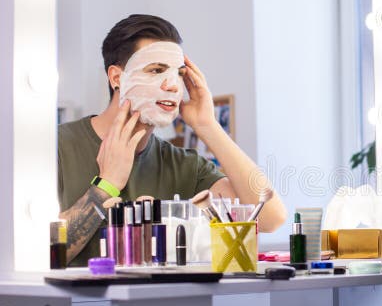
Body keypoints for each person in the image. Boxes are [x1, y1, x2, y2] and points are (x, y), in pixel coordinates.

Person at [58, 14, 287, 266]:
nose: (173, 85)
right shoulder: (55, 147)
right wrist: (107, 186)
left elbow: (269, 218)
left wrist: (208, 126)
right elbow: (38, 255)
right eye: (155, 70)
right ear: (116, 78)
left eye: (179, 74)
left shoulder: (185, 165)